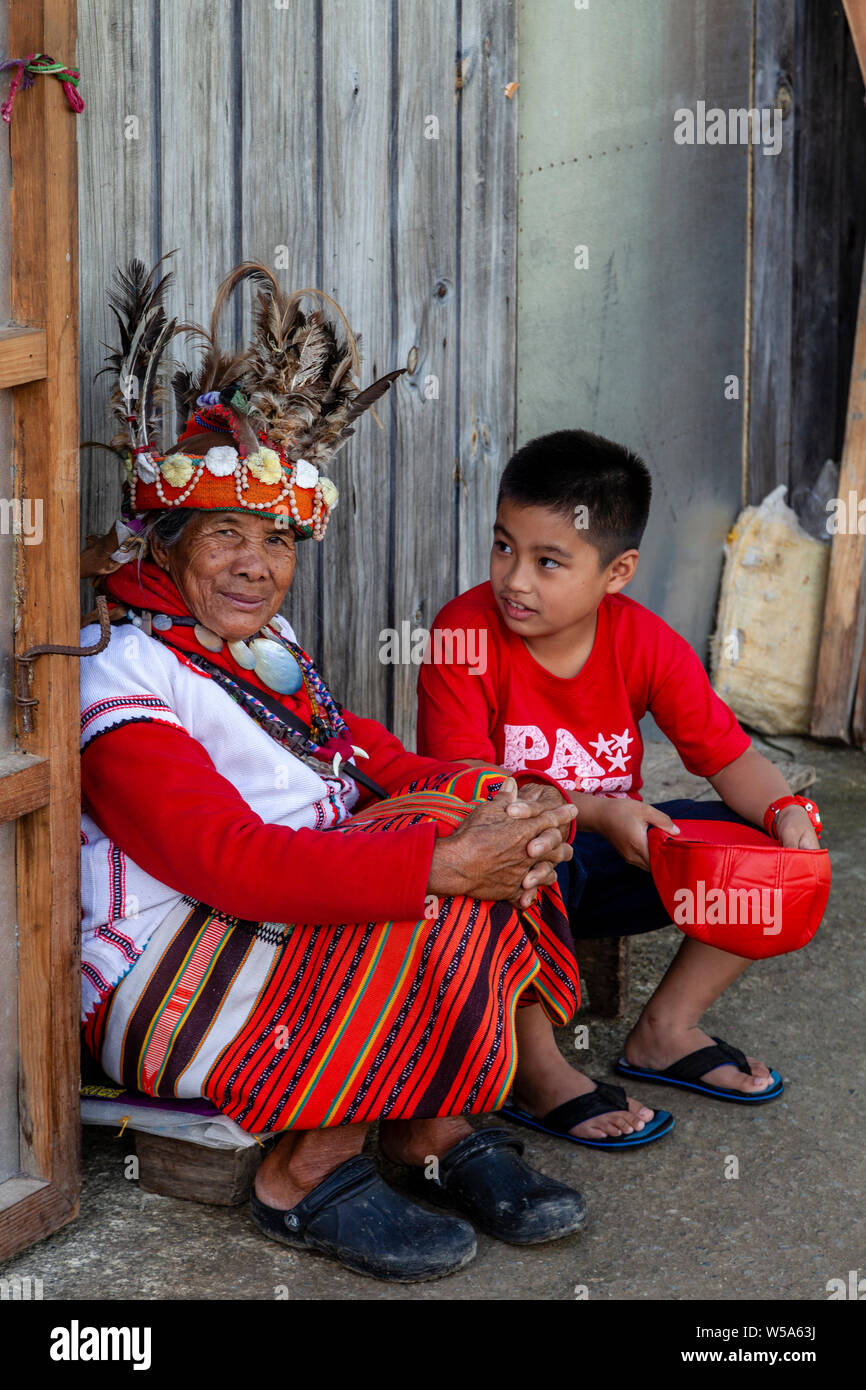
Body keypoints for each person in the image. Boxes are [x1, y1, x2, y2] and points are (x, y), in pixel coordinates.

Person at [78, 260, 587, 1284]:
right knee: (431, 868)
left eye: (274, 540)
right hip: (166, 979)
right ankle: (302, 1172)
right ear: (168, 545)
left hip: (272, 935)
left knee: (474, 816)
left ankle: (431, 1128)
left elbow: (356, 753)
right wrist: (438, 860)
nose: (253, 565)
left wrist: (493, 792)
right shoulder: (123, 671)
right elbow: (227, 860)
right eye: (223, 534)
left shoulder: (260, 649)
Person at [416, 429, 823, 1150]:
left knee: (769, 858)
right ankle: (534, 1070)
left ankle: (666, 1030)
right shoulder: (463, 635)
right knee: (517, 861)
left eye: (548, 562)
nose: (514, 579)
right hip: (518, 866)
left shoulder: (645, 642)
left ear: (617, 571)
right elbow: (469, 797)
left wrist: (788, 813)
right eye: (504, 546)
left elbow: (730, 761)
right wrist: (598, 813)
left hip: (618, 860)